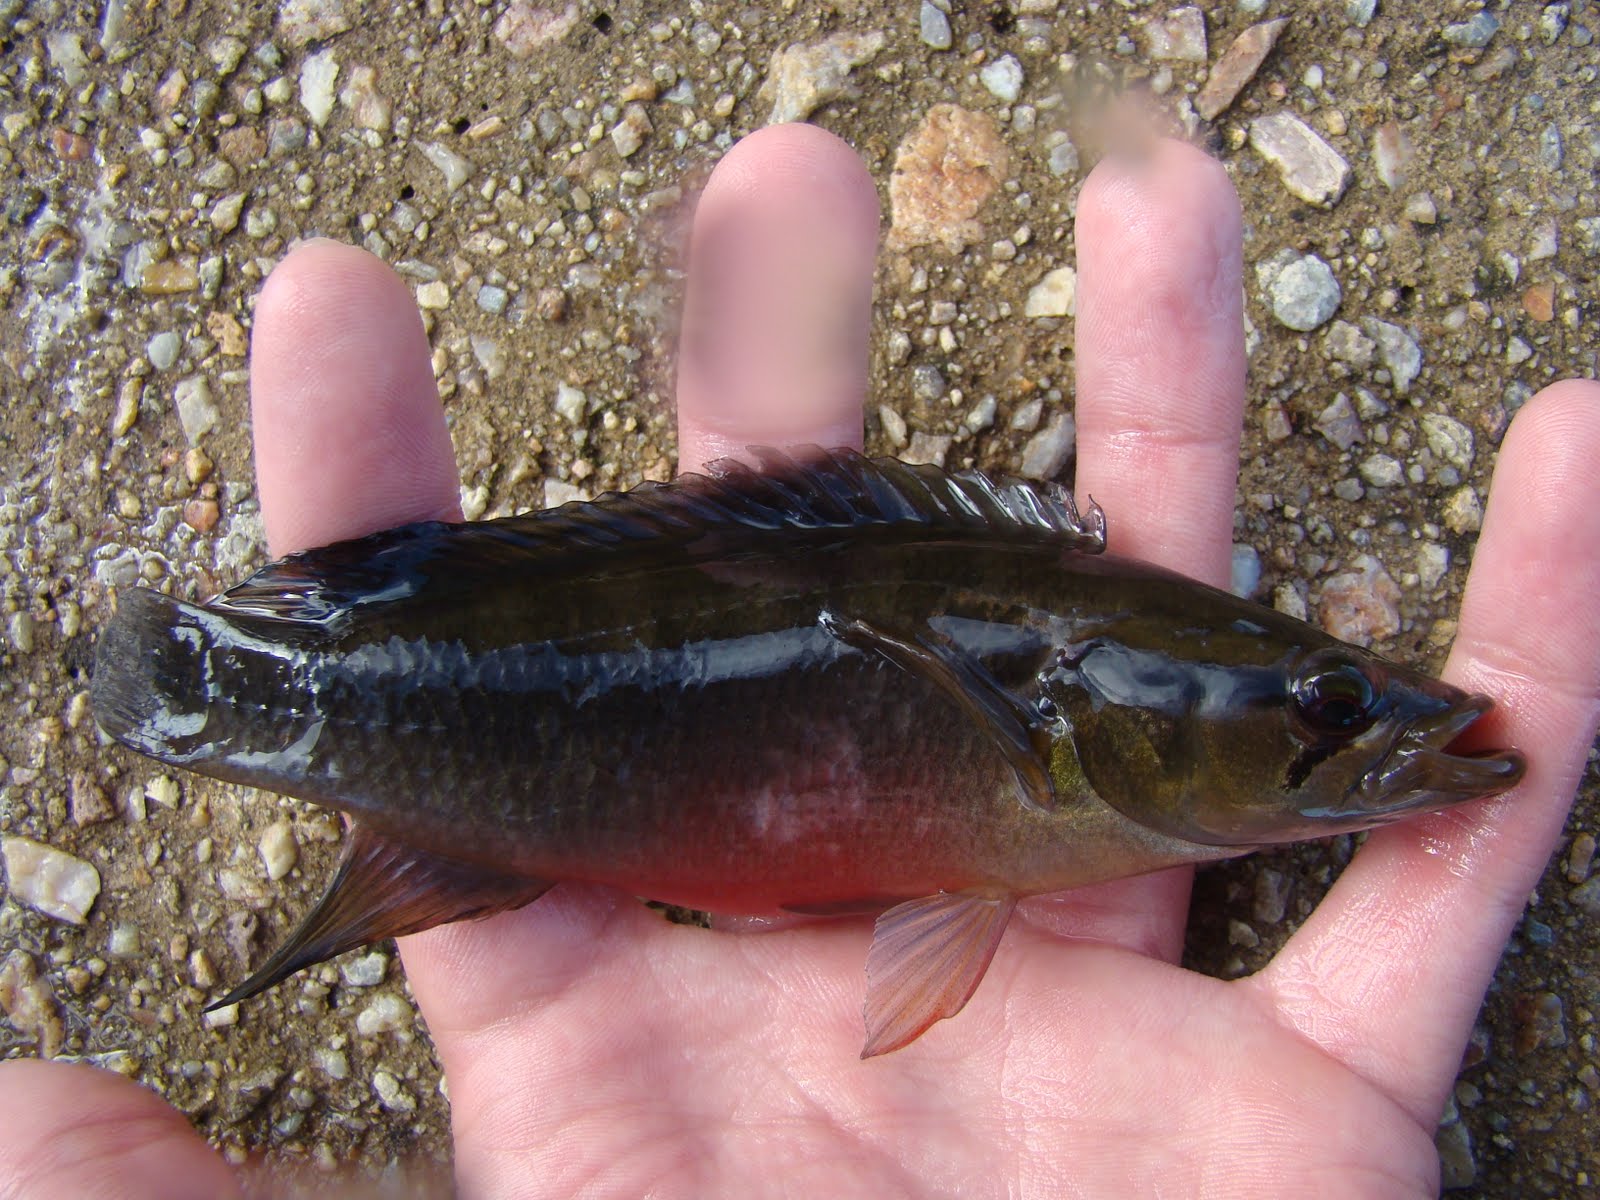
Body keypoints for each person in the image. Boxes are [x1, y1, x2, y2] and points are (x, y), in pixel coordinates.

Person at [2, 125, 1597, 1198]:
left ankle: (250, 686)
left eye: (1326, 709)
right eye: (1320, 706)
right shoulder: (1052, 699)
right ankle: (244, 679)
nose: (1354, 725)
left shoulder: (1065, 697)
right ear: (1093, 713)